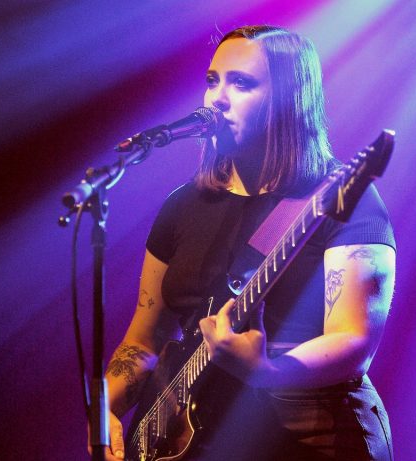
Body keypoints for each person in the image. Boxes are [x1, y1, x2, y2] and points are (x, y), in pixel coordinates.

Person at [102, 25, 396, 460]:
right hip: (201, 439)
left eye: (241, 83)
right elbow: (142, 342)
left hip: (311, 436)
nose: (217, 98)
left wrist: (266, 371)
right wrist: (103, 411)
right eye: (211, 80)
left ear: (288, 101)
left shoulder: (341, 197)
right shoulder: (181, 206)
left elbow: (353, 341)